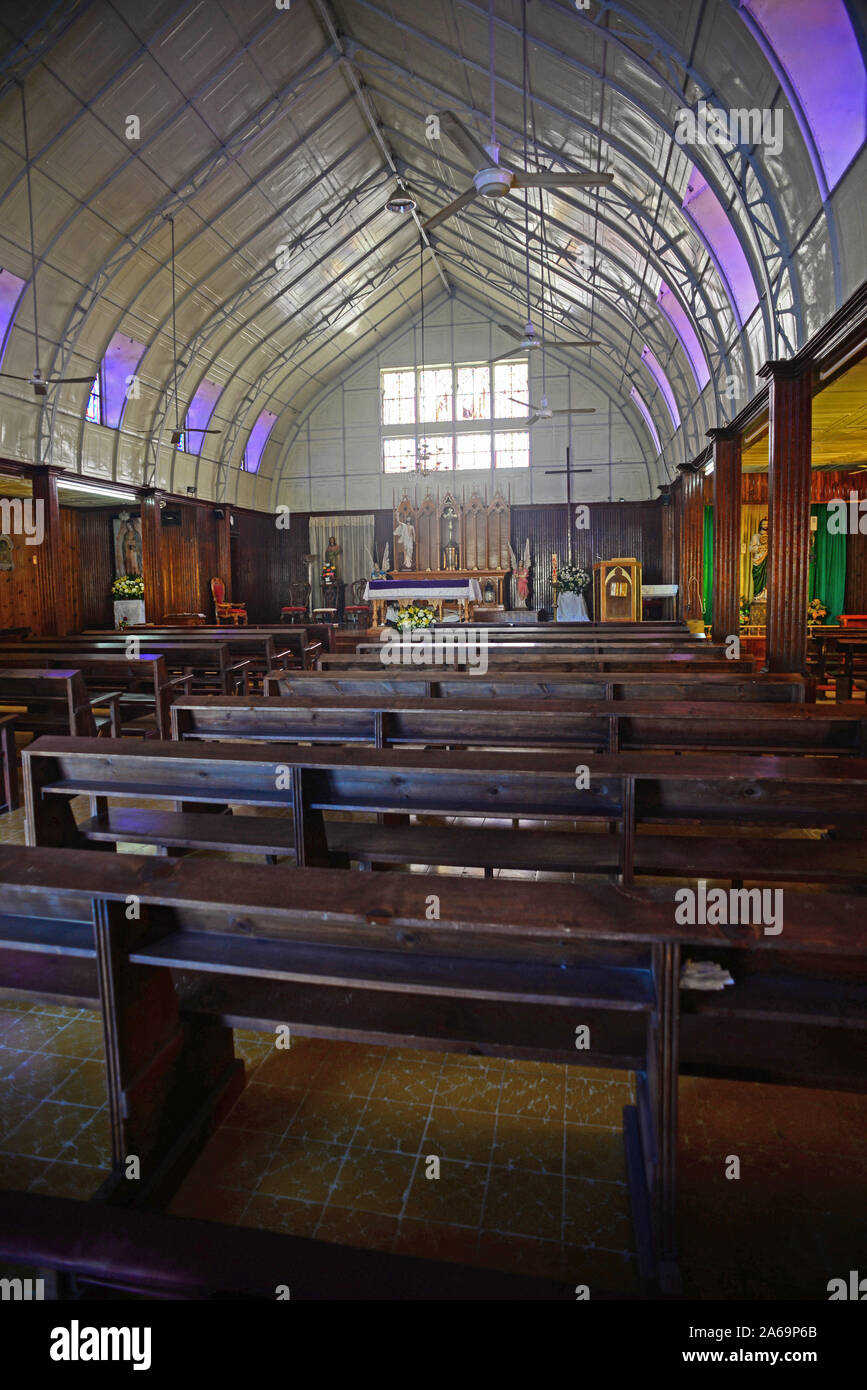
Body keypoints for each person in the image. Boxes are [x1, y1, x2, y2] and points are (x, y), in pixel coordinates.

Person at [749, 517, 768, 600]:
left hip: (768, 560)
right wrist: (760, 548)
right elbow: (750, 548)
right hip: (758, 561)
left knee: (767, 577)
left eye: (767, 524)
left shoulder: (771, 536)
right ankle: (757, 595)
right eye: (764, 524)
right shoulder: (755, 536)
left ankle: (765, 595)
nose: (765, 525)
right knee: (758, 579)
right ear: (760, 525)